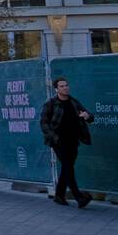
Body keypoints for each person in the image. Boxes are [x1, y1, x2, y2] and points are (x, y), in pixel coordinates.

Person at [40, 77, 94, 208]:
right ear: (56, 89)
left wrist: (88, 117)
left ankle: (59, 195)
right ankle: (78, 197)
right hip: (58, 141)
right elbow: (43, 123)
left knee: (67, 167)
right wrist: (54, 138)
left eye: (66, 85)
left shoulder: (74, 102)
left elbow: (89, 116)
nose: (65, 88)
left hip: (73, 140)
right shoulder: (51, 103)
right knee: (68, 166)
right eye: (62, 86)